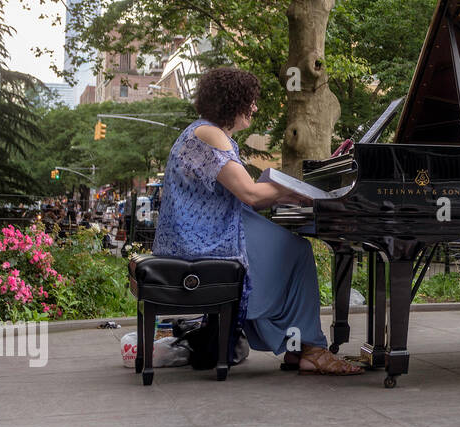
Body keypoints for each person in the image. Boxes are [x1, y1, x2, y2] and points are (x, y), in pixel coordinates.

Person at [153, 67, 362, 375]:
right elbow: (250, 193)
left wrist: (287, 192)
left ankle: (299, 346)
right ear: (232, 102)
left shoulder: (205, 133)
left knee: (287, 250)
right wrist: (299, 188)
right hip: (202, 240)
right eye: (249, 101)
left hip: (199, 234)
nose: (254, 107)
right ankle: (310, 349)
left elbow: (247, 194)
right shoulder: (209, 134)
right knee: (296, 250)